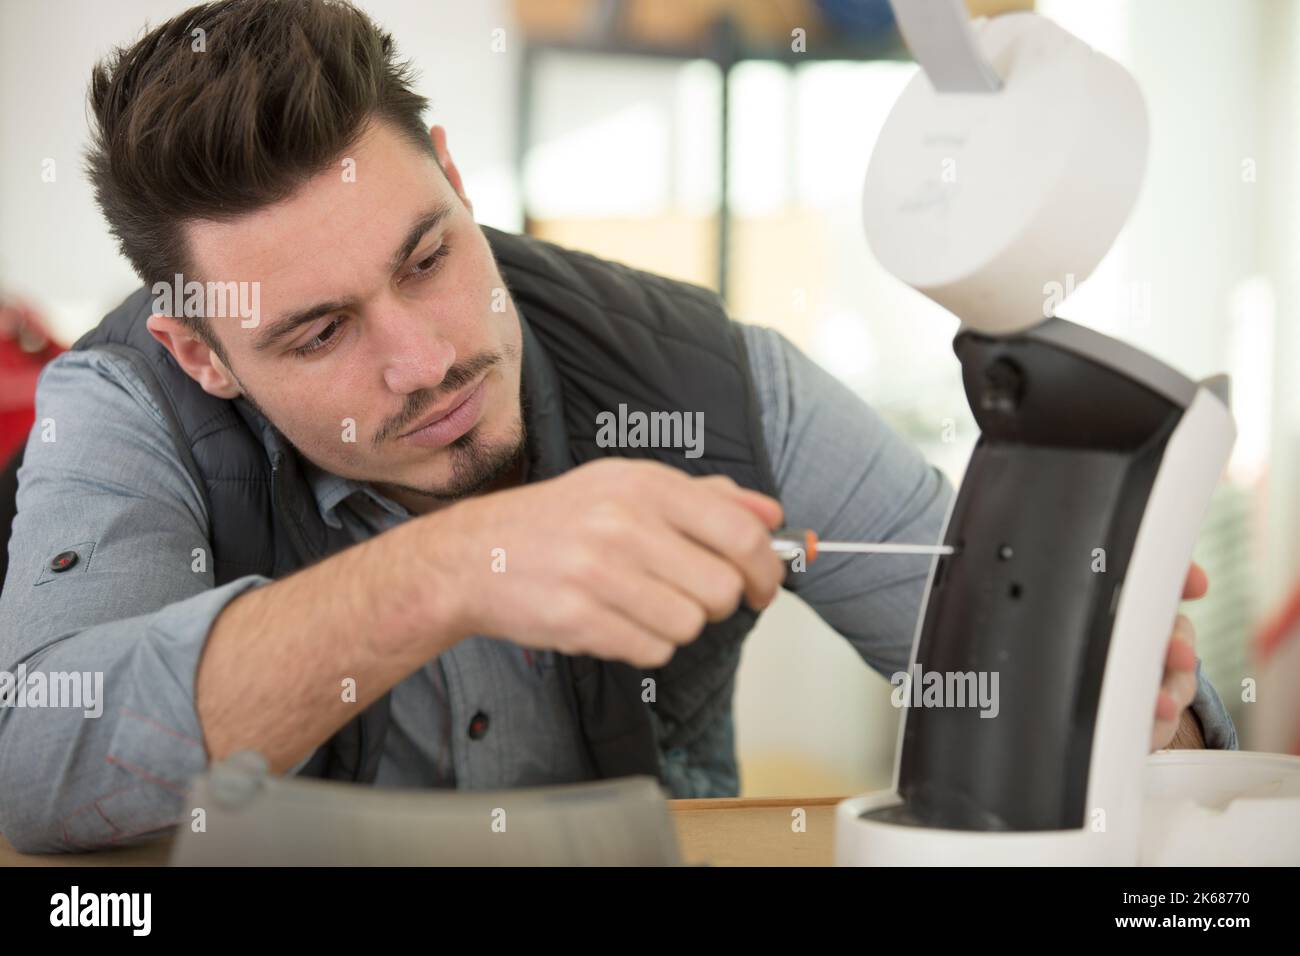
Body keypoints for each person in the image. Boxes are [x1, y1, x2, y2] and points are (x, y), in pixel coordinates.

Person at [0, 0, 1235, 854]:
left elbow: (988, 667)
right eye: (319, 334)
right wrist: (436, 574)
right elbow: (37, 763)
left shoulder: (714, 377)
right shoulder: (120, 405)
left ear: (454, 175)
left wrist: (1127, 707)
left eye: (430, 256)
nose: (425, 360)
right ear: (201, 350)